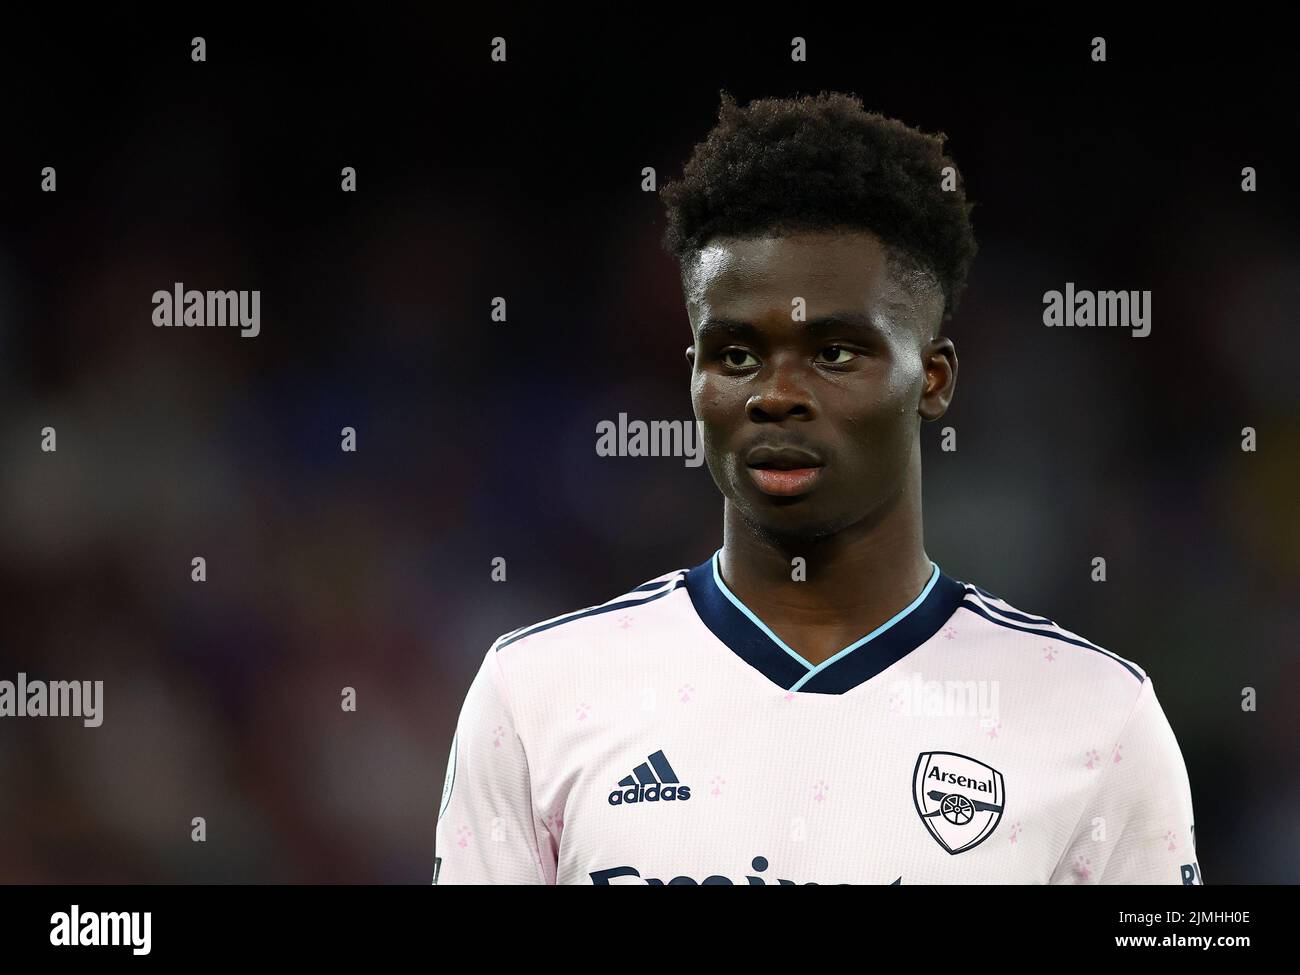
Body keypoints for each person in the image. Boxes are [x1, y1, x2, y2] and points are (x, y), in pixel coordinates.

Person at [433, 90, 1200, 885]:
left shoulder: (1096, 719)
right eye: (735, 355)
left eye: (835, 352)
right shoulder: (538, 695)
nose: (776, 393)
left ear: (932, 379)